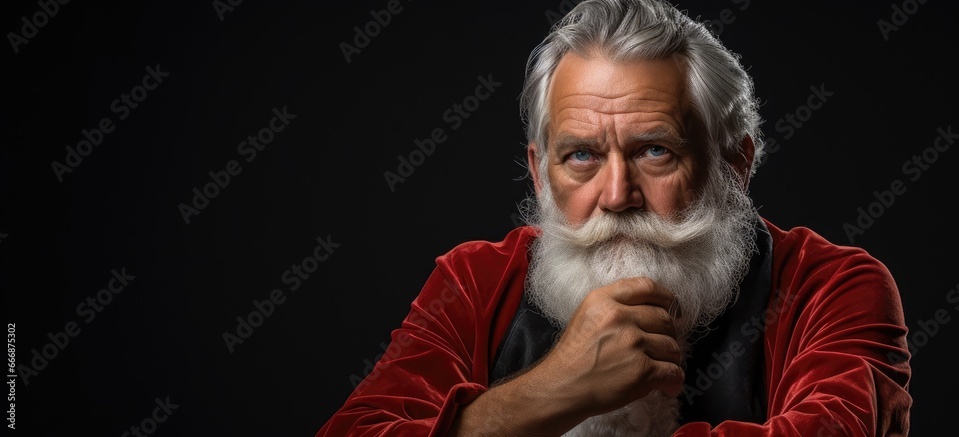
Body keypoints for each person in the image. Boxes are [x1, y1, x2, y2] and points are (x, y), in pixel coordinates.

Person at [317, 0, 913, 435]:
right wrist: (552, 392)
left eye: (655, 150)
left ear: (735, 165)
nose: (616, 193)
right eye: (581, 155)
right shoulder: (473, 282)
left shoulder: (833, 289)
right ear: (539, 172)